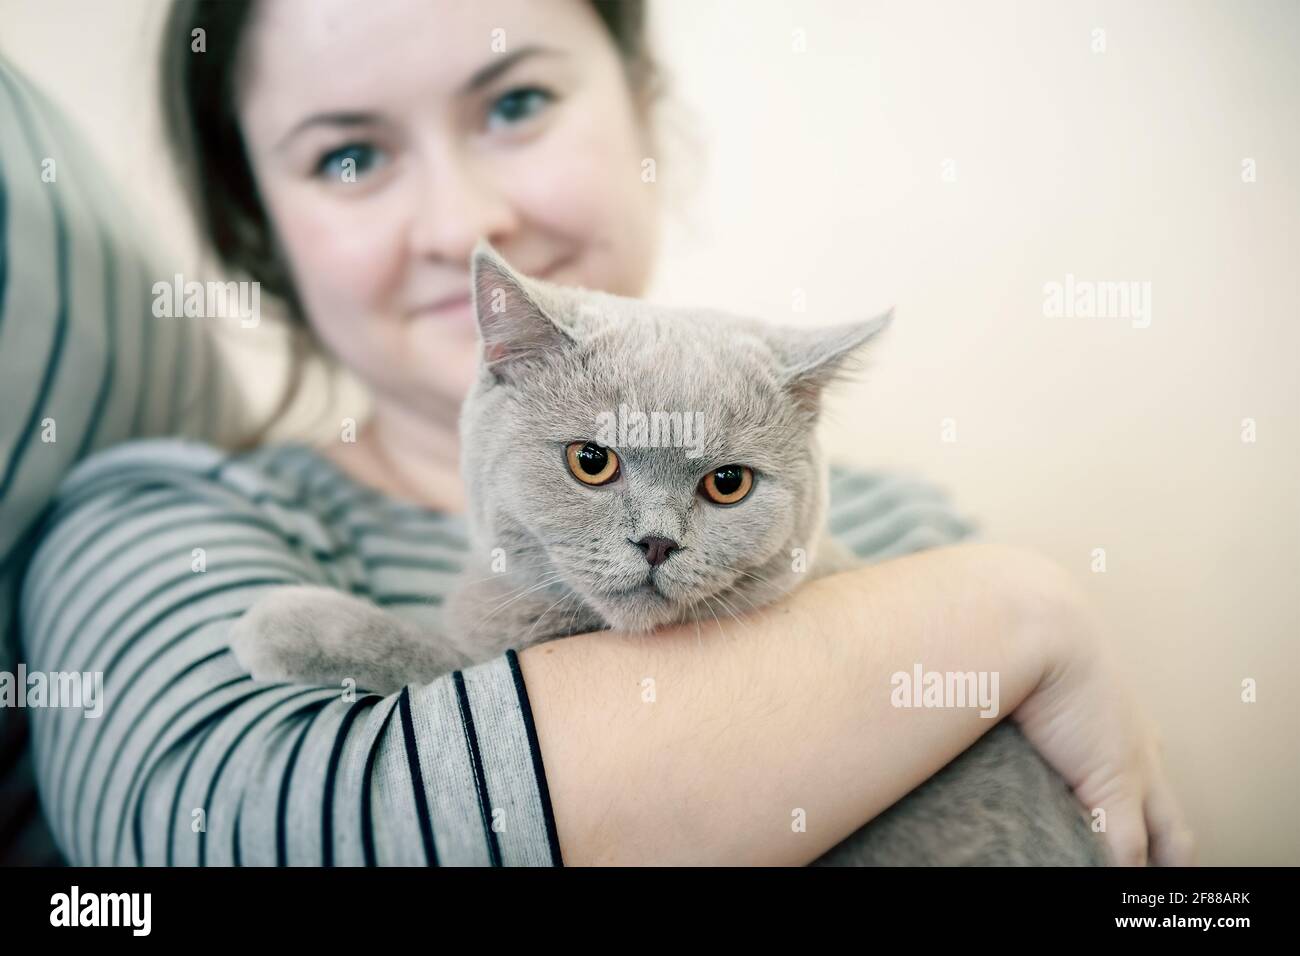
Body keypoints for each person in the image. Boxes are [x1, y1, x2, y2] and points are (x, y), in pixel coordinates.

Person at [18, 0, 1192, 866]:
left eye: (516, 103)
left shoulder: (902, 523)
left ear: (643, 107)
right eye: (350, 154)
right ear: (261, 227)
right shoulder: (165, 522)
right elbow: (218, 842)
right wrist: (1013, 608)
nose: (464, 219)